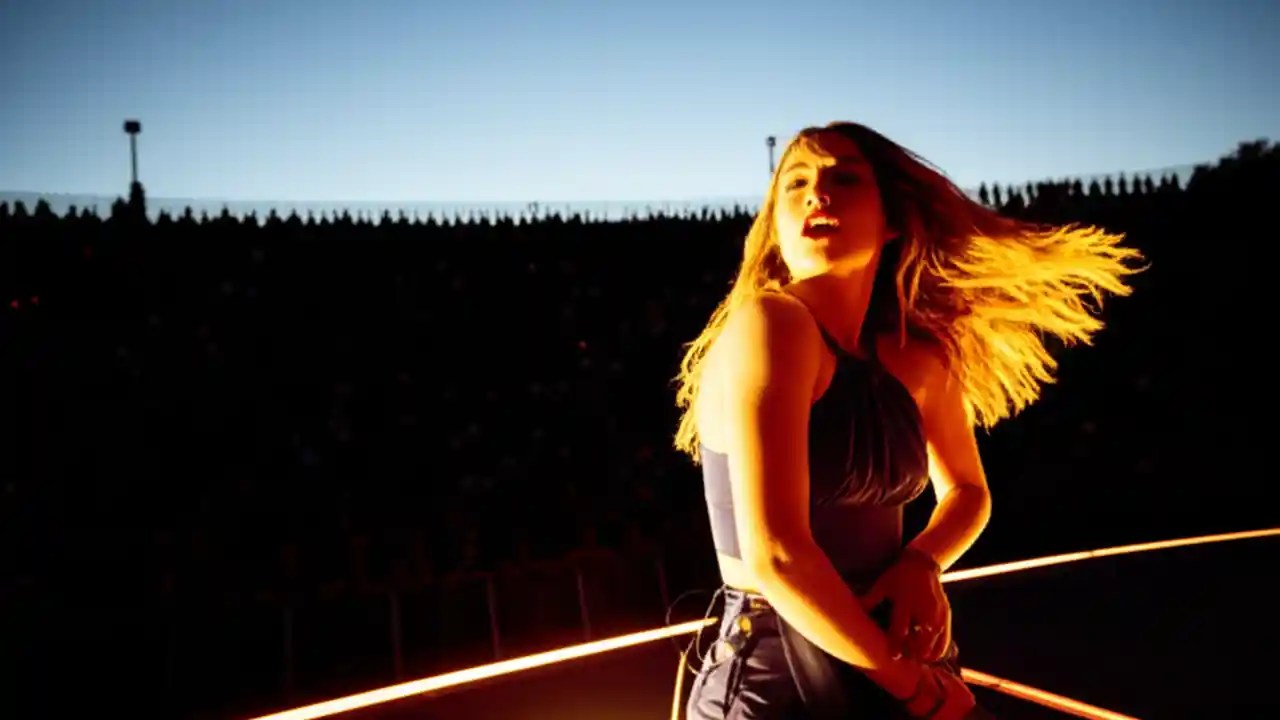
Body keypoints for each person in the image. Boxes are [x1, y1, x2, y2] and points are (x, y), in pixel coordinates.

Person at [671, 121, 1144, 719]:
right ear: (775, 225)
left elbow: (969, 492)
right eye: (796, 183)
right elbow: (777, 557)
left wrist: (922, 562)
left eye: (844, 179)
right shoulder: (772, 323)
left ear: (891, 218)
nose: (818, 194)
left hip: (893, 650)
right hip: (785, 669)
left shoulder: (911, 356)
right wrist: (913, 689)